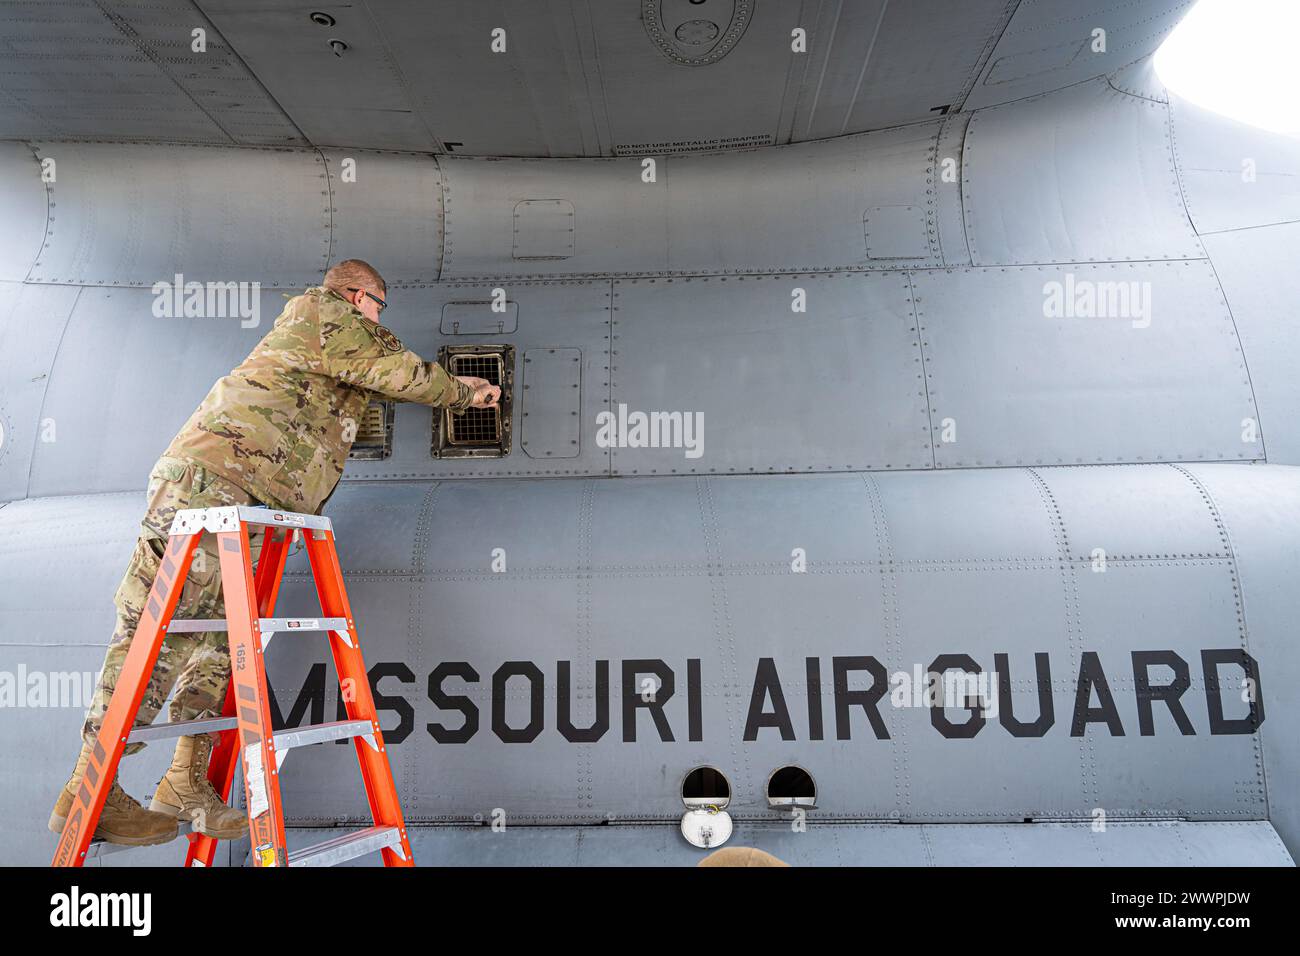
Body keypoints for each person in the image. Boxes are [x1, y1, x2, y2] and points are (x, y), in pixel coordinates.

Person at [49, 258, 499, 845]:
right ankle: (92, 788)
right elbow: (400, 373)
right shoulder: (324, 313)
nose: (381, 319)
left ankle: (185, 779)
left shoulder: (334, 338)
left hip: (246, 498)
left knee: (219, 639)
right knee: (162, 633)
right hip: (212, 486)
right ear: (361, 296)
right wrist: (464, 391)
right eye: (380, 307)